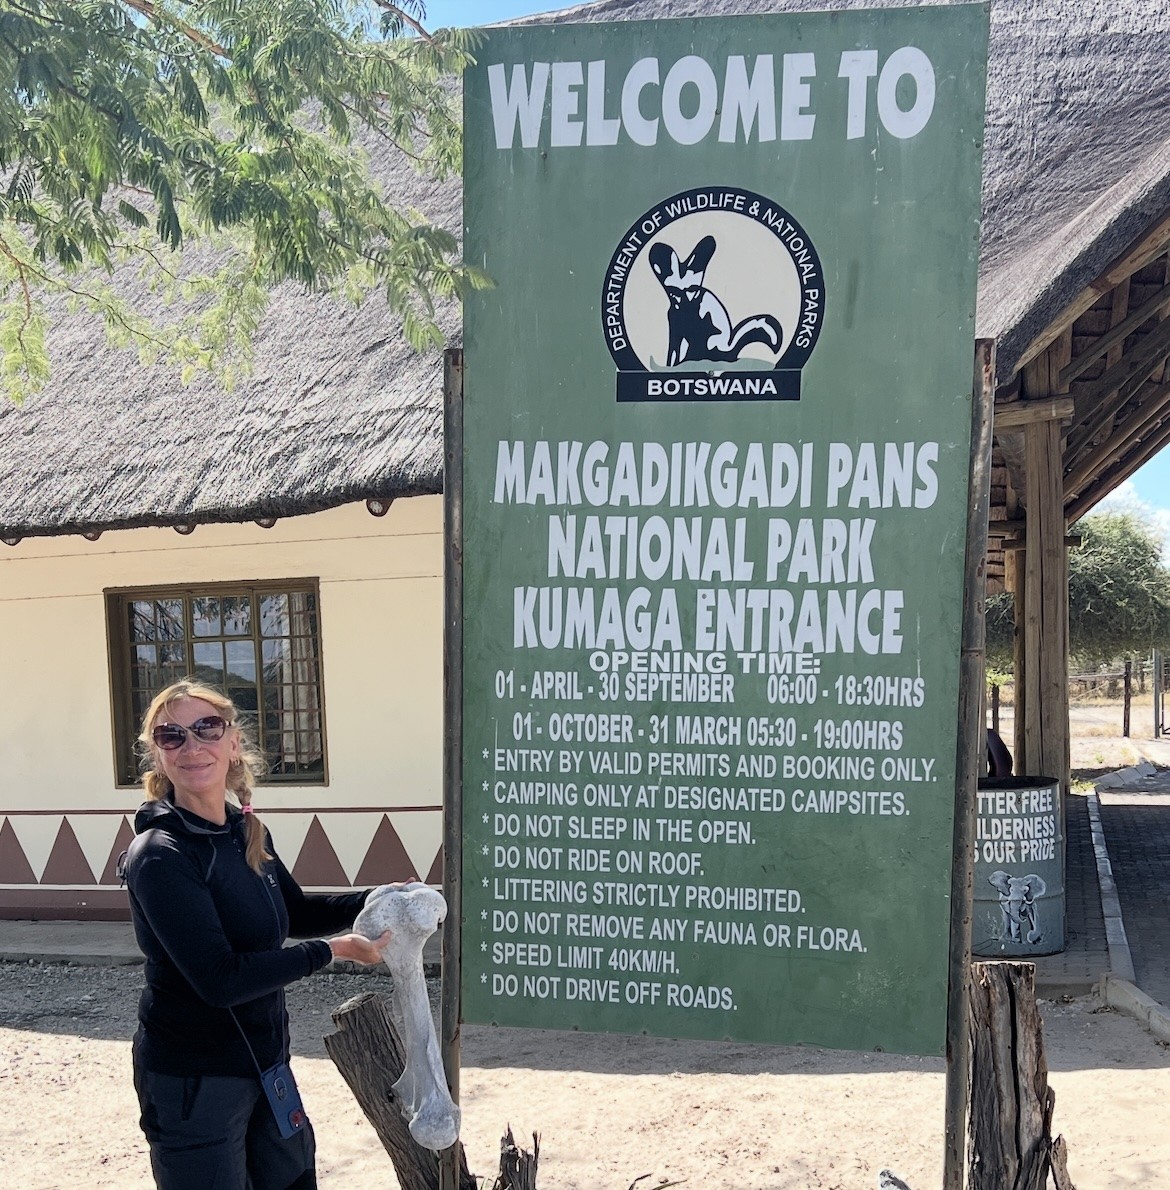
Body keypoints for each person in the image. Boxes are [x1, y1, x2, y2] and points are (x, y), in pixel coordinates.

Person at [123, 679, 388, 1190]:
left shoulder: (242, 831)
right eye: (172, 736)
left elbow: (294, 913)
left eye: (207, 728)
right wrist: (332, 952)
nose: (193, 746)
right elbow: (220, 980)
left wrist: (381, 898)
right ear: (157, 754)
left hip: (266, 1064)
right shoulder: (160, 854)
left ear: (233, 742)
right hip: (194, 1081)